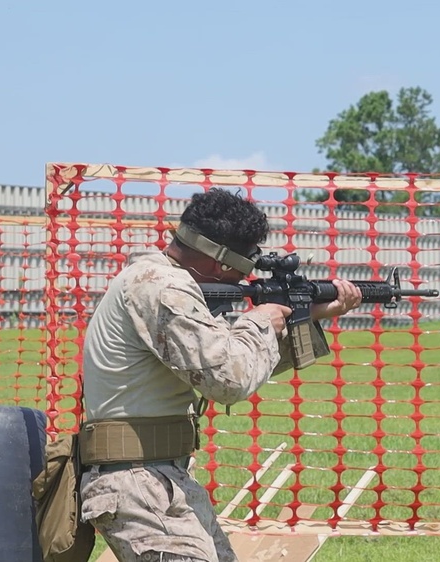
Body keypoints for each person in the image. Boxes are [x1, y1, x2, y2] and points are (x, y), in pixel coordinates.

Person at [78, 188, 362, 562]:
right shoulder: (162, 286)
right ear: (221, 263)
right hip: (137, 481)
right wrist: (260, 321)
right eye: (246, 262)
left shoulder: (161, 279)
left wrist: (309, 316)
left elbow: (225, 362)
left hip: (159, 476)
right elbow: (229, 379)